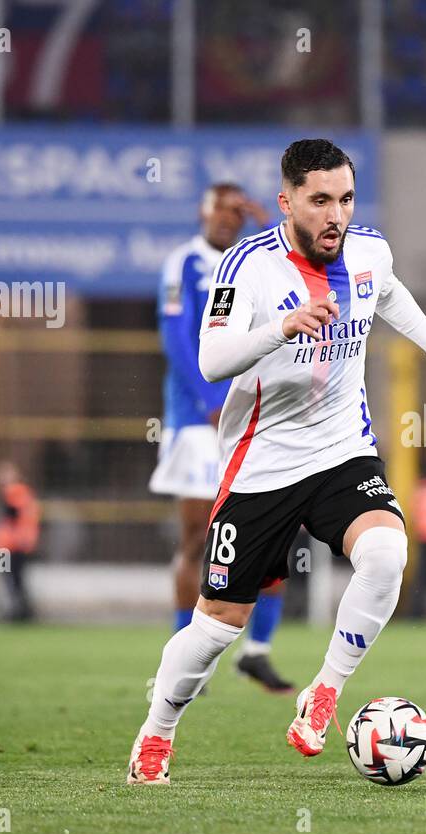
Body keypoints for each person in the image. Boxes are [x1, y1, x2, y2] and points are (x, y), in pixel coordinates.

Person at [127, 139, 426, 784]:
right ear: (286, 201)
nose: (335, 215)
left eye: (345, 199)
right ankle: (156, 733)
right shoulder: (247, 266)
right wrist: (283, 327)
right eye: (320, 200)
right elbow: (211, 361)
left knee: (386, 556)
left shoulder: (369, 250)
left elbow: (390, 294)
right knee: (216, 629)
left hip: (341, 449)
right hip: (262, 464)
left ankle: (323, 692)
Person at [149, 182, 294, 694]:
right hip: (197, 420)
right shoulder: (182, 265)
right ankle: (183, 651)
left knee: (276, 536)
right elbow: (175, 336)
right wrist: (210, 403)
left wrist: (264, 229)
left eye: (240, 211)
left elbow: (289, 284)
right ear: (202, 211)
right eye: (222, 209)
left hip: (258, 417)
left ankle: (257, 652)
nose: (230, 219)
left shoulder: (254, 260)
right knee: (197, 539)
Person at [0, 461, 40, 622]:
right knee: (14, 579)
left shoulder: (13, 492)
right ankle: (20, 610)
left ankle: (15, 611)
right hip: (12, 545)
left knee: (9, 578)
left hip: (9, 546)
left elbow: (12, 516)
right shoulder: (23, 492)